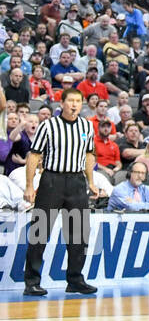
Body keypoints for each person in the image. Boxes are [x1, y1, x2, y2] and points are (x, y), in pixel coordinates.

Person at [23, 89, 98, 296]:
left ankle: (75, 279)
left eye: (78, 101)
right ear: (62, 103)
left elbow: (90, 154)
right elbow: (33, 155)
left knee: (79, 234)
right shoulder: (48, 125)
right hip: (52, 180)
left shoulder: (87, 126)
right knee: (40, 231)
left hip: (76, 182)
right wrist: (30, 185)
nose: (74, 104)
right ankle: (32, 282)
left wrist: (91, 181)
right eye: (71, 101)